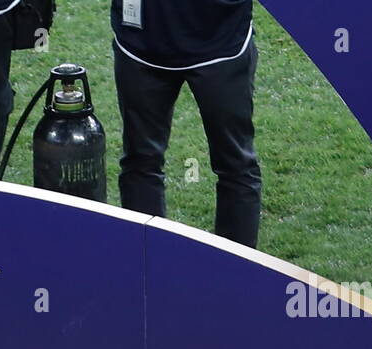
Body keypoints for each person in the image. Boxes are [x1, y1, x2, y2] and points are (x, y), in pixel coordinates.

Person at [111, 0, 262, 247]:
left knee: (235, 165)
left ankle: (236, 273)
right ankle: (147, 268)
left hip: (220, 42)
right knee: (141, 160)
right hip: (140, 42)